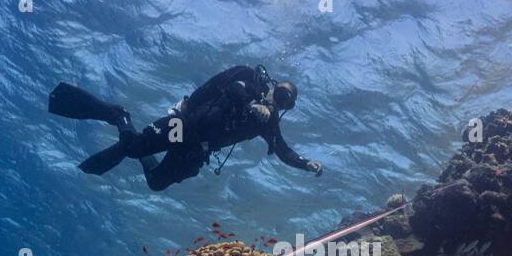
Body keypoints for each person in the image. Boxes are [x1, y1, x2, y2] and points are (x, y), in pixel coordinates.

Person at [48, 65, 322, 191]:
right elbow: (232, 88)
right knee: (130, 148)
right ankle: (119, 116)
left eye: (286, 102)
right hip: (183, 126)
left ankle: (137, 147)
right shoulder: (250, 79)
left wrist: (306, 163)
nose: (279, 100)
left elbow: (284, 151)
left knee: (155, 183)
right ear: (273, 86)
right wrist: (252, 104)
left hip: (196, 149)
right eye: (280, 93)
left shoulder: (269, 122)